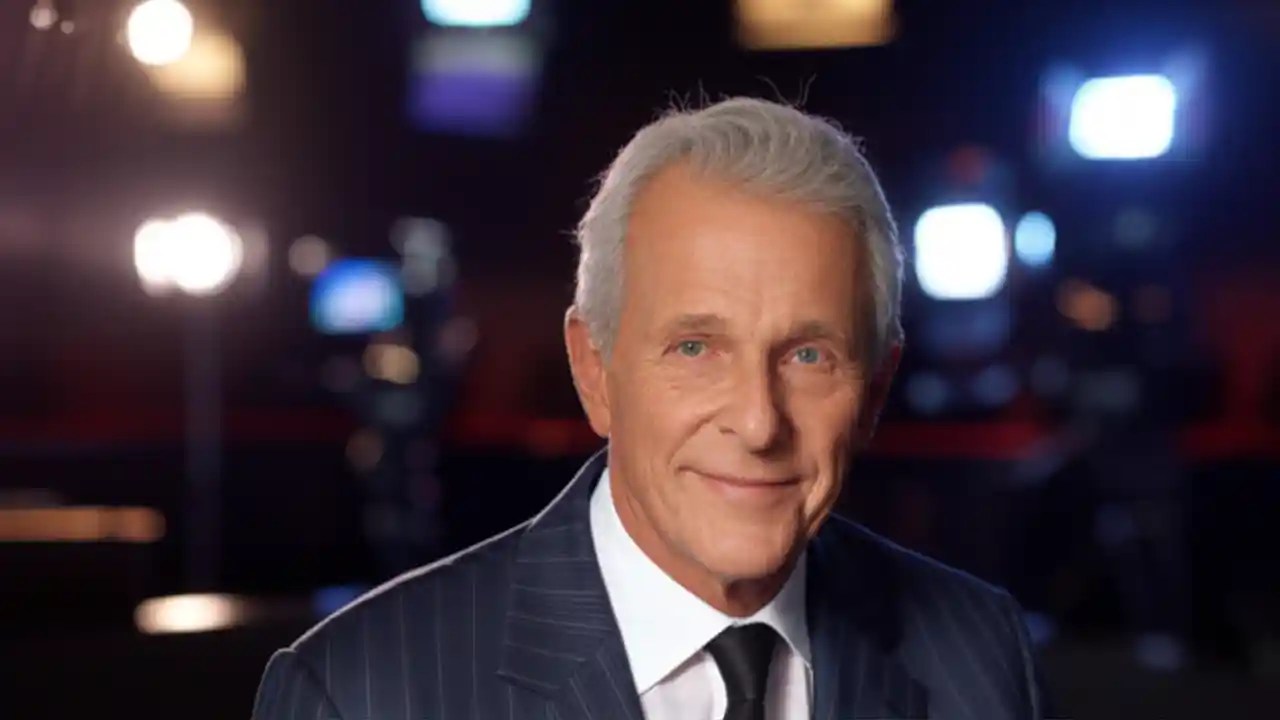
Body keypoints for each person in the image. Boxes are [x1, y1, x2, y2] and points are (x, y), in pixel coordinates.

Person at [252, 97, 1053, 720]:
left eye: (808, 355)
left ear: (876, 388)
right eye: (696, 348)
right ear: (592, 369)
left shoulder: (977, 652)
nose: (758, 422)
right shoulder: (361, 692)